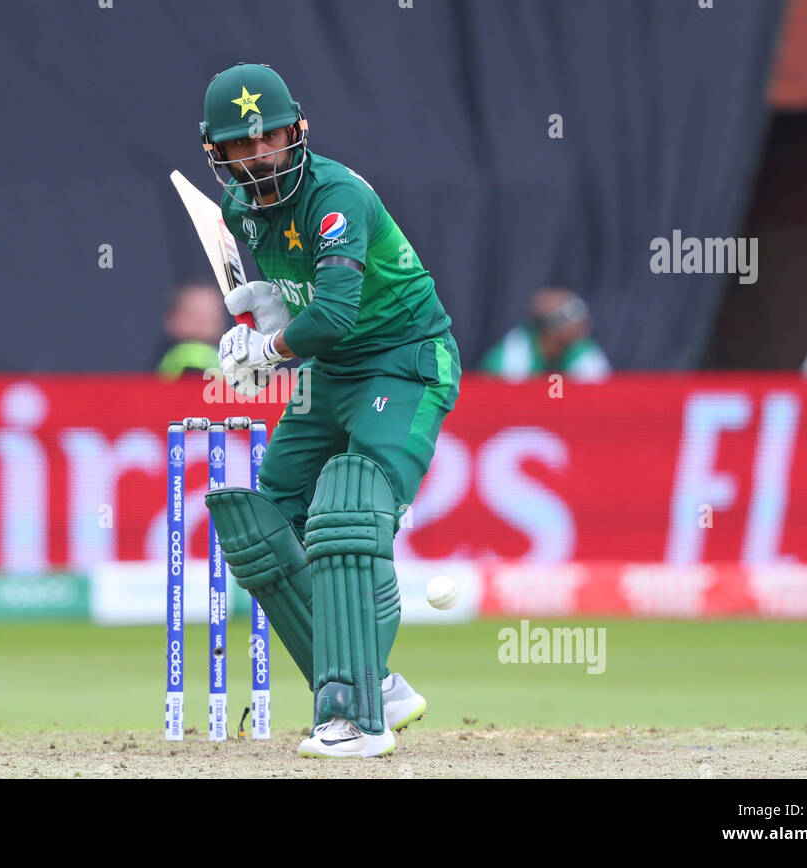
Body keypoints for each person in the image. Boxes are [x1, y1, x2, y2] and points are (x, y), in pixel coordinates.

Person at [197, 63, 460, 758]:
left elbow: (339, 309)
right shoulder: (236, 212)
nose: (260, 157)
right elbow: (301, 291)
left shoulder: (335, 194)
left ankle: (353, 719)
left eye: (271, 139)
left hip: (404, 359)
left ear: (297, 131)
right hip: (334, 370)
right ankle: (376, 684)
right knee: (262, 528)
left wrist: (269, 350)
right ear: (216, 154)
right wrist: (268, 313)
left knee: (350, 506)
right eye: (242, 146)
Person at [480, 287, 610, 381]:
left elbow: (599, 396)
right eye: (571, 319)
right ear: (552, 327)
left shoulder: (582, 349)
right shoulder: (510, 360)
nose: (582, 324)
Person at [155, 281, 227, 380]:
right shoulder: (184, 360)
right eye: (194, 313)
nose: (203, 322)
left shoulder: (227, 355)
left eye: (212, 314)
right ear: (172, 317)